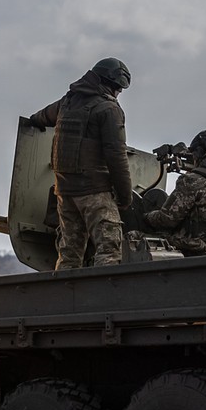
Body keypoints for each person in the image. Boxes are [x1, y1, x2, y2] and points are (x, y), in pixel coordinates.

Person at [29, 57, 133, 269]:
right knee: (109, 250)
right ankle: (106, 298)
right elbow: (116, 155)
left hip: (65, 192)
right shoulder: (108, 110)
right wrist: (125, 195)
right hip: (95, 191)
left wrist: (33, 120)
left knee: (69, 253)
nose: (117, 93)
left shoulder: (67, 102)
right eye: (117, 88)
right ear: (108, 83)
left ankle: (65, 296)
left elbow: (42, 116)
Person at [143, 129, 206, 255]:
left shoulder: (193, 181)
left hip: (193, 251)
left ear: (199, 152)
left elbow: (167, 219)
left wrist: (146, 216)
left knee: (135, 236)